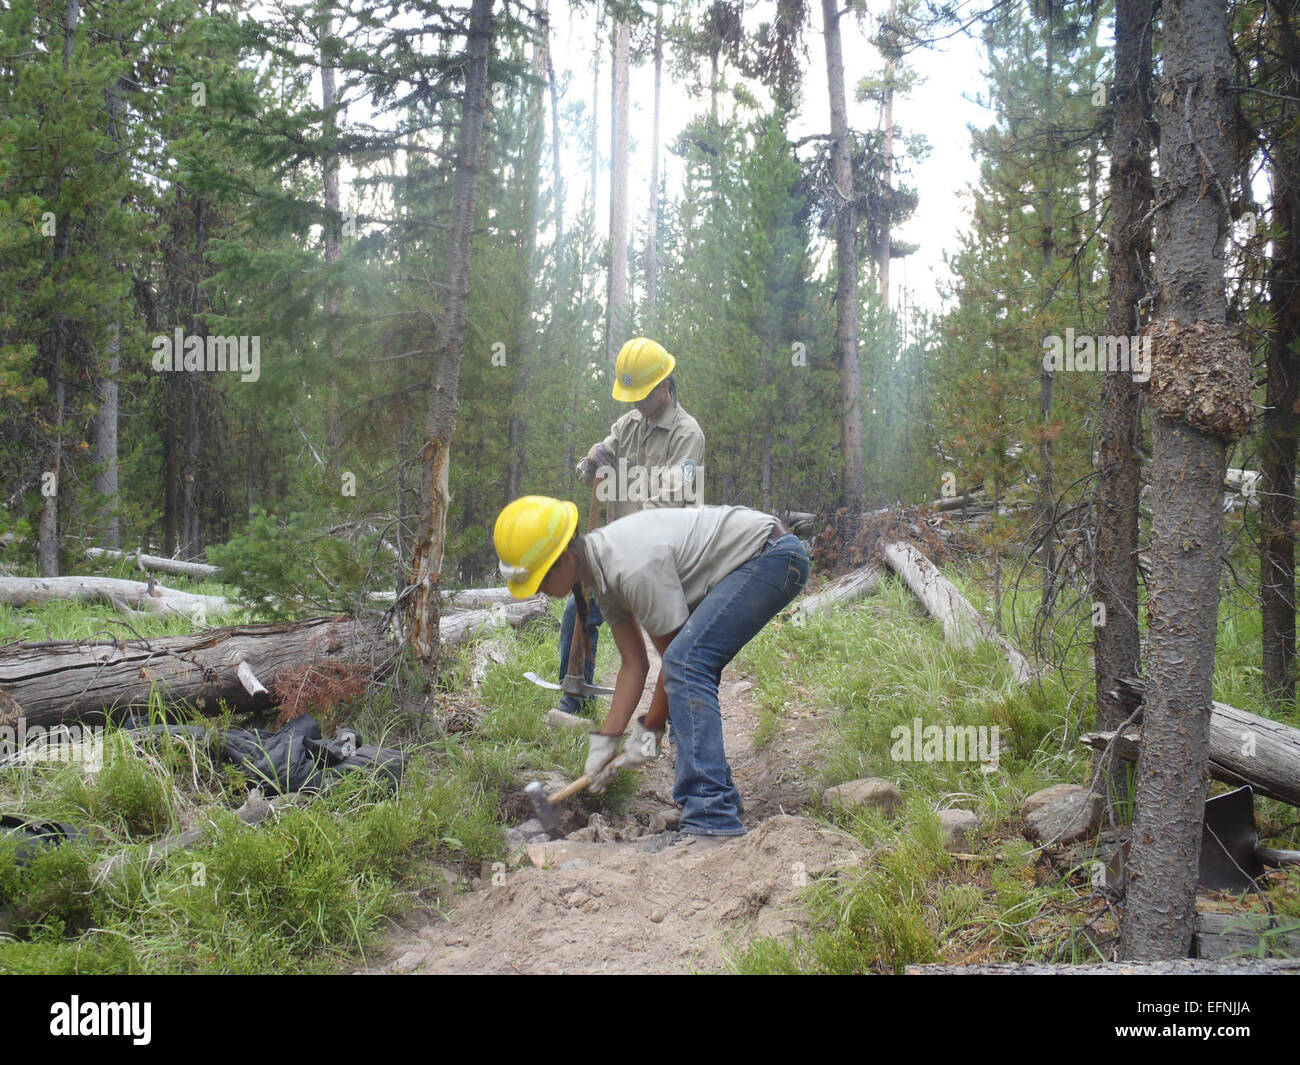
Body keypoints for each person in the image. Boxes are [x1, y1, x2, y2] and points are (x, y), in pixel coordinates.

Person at [496, 496, 809, 849]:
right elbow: (634, 664)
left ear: (565, 559)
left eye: (539, 580)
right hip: (762, 557)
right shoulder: (600, 571)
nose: (539, 591)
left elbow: (674, 664)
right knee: (687, 665)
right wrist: (606, 742)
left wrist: (648, 732)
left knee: (687, 665)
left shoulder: (631, 566)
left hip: (772, 558)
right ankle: (715, 800)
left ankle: (712, 819)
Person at [558, 337, 705, 718]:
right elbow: (589, 470)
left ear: (665, 387)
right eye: (632, 396)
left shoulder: (687, 435)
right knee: (579, 607)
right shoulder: (628, 425)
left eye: (642, 395)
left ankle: (681, 717)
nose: (636, 403)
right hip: (622, 550)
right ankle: (574, 697)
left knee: (677, 643)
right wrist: (591, 461)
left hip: (668, 554)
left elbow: (670, 499)